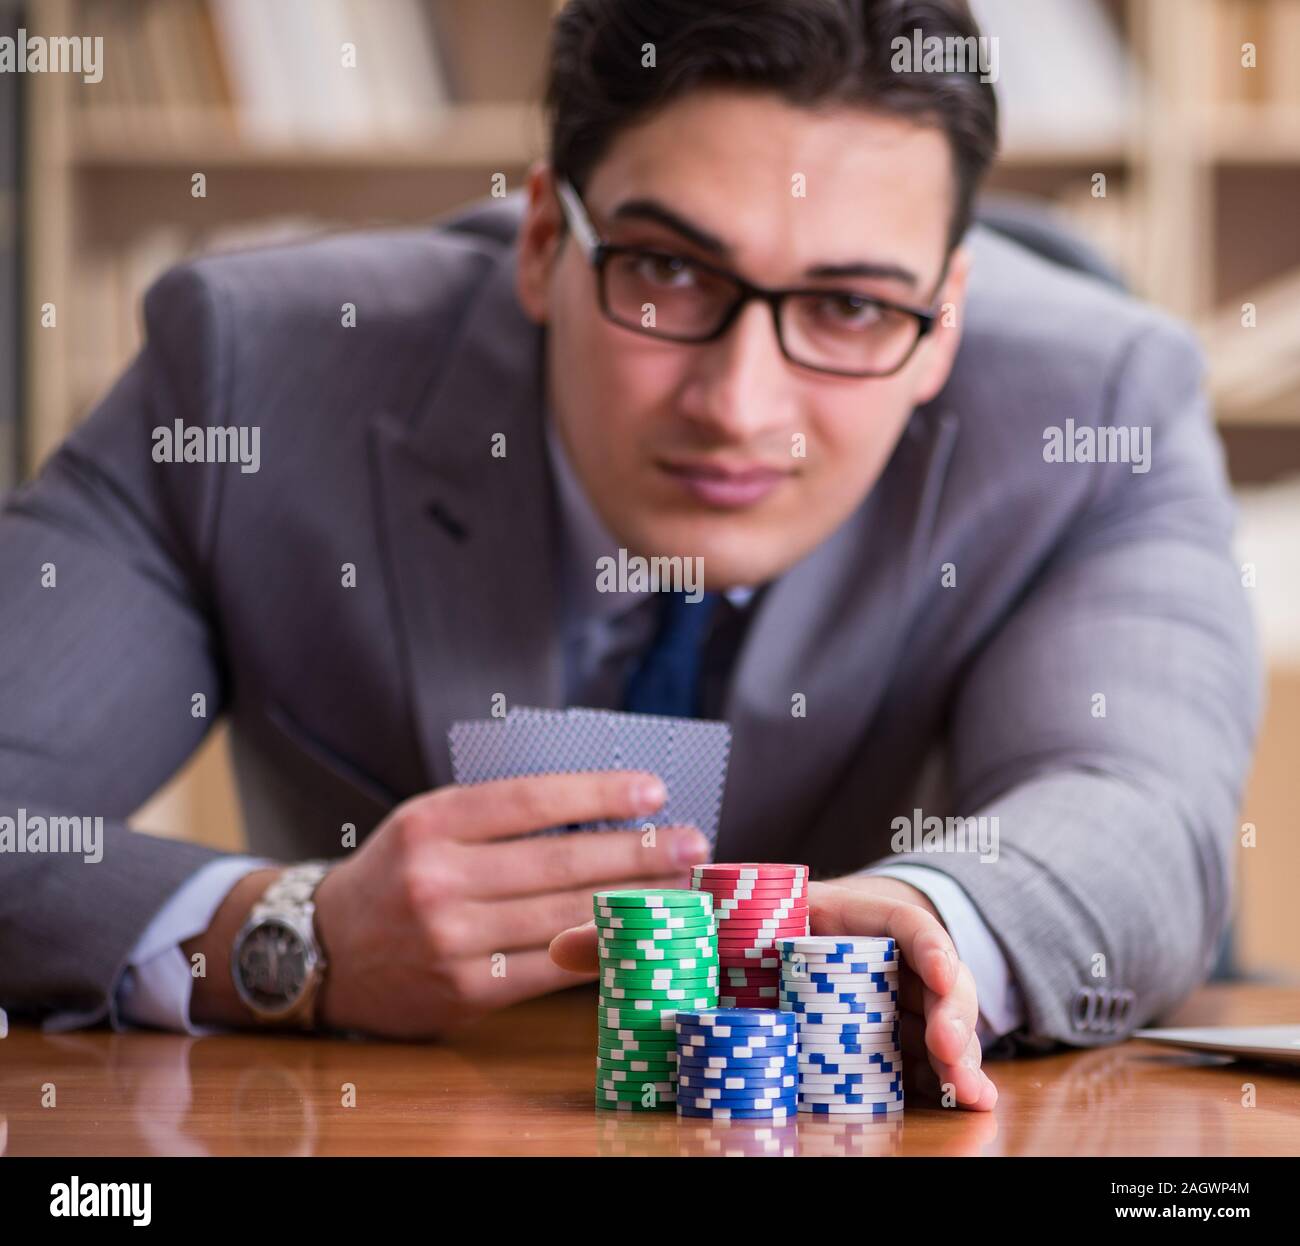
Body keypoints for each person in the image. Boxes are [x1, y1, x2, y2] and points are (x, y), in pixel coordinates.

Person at [0, 0, 1259, 1115]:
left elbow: (1138, 810)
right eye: (666, 271)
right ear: (545, 241)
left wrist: (941, 923)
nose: (736, 403)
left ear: (946, 326)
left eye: (853, 306)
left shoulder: (1096, 406)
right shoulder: (250, 376)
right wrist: (282, 934)